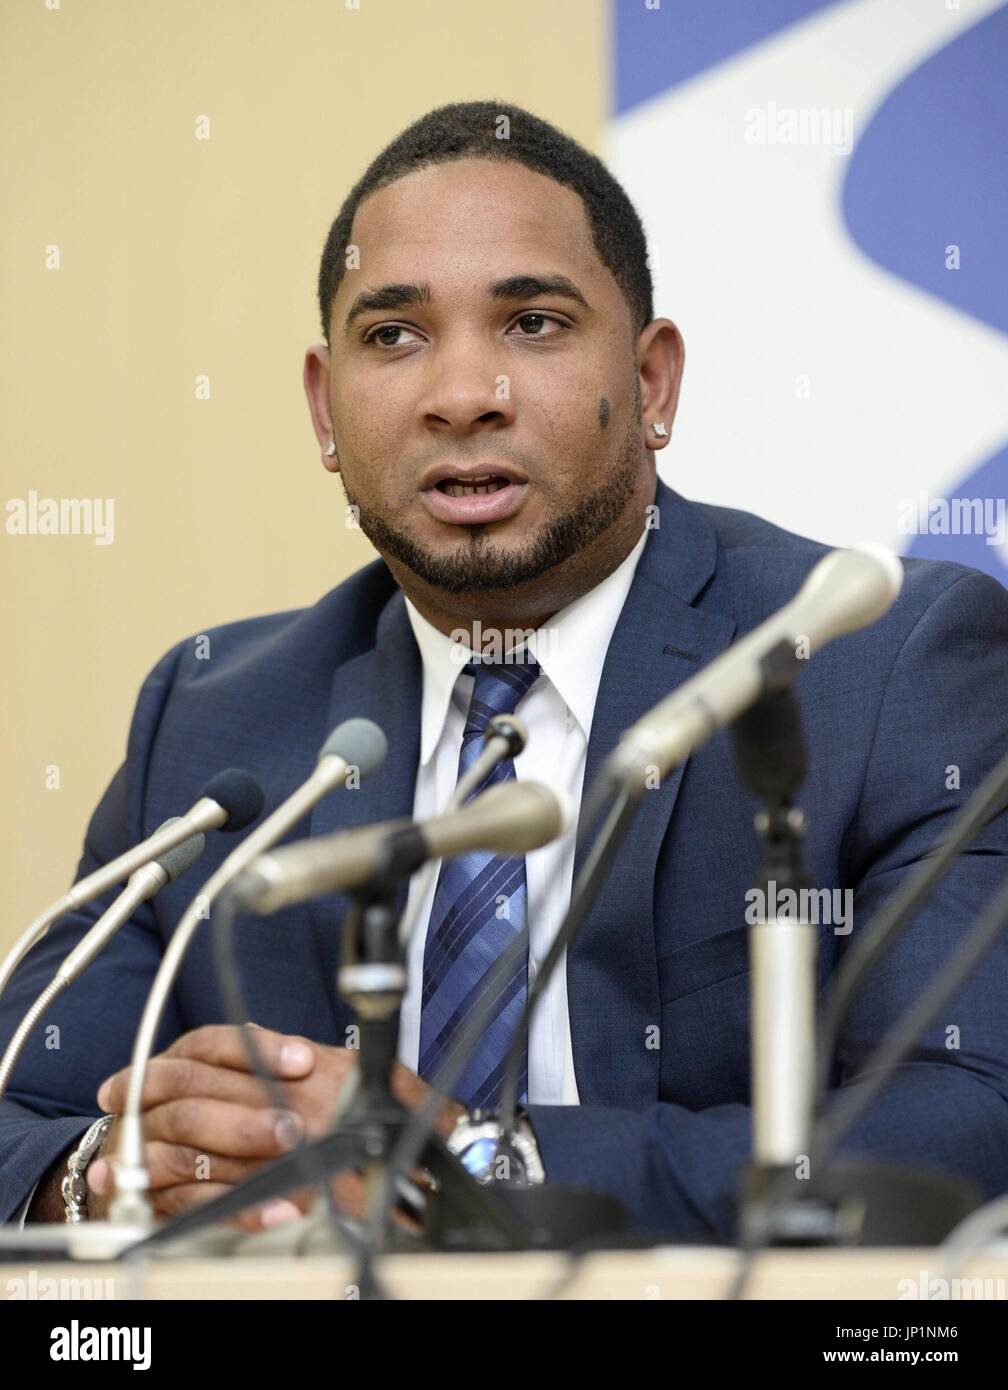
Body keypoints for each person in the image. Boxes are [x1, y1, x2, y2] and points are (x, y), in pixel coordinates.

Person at [3, 101, 1007, 1238]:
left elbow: (968, 1116)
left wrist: (465, 1159)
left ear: (654, 383)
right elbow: (19, 1110)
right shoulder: (213, 717)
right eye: (393, 336)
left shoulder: (881, 668)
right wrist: (121, 1171)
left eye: (532, 322)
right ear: (324, 411)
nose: (463, 393)